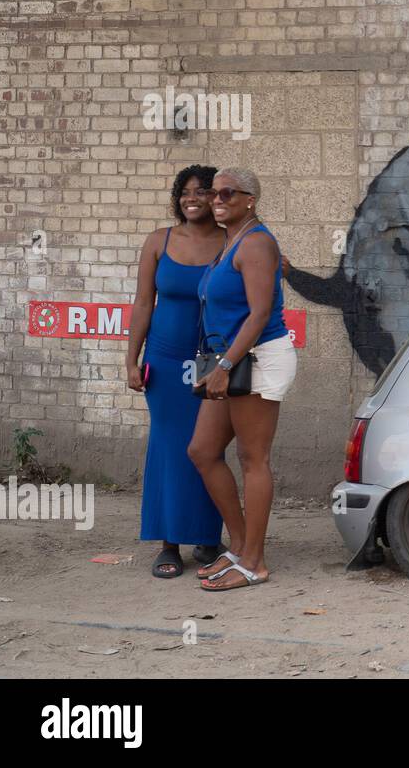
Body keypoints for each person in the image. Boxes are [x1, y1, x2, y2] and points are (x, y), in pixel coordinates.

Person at [188, 167, 297, 591]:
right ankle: (239, 546)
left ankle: (254, 562)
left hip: (256, 359)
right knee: (202, 450)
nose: (217, 199)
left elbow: (260, 313)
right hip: (231, 360)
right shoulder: (233, 241)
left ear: (250, 198)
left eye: (227, 193)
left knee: (254, 460)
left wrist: (226, 366)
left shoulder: (254, 243)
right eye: (212, 193)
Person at [126, 166, 226, 579]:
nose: (193, 198)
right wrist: (131, 359)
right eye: (185, 192)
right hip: (164, 361)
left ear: (215, 197)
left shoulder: (231, 241)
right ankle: (169, 543)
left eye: (202, 191)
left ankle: (207, 538)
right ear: (177, 197)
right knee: (170, 447)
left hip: (212, 360)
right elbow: (143, 303)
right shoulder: (158, 241)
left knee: (209, 448)